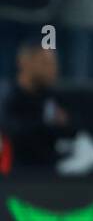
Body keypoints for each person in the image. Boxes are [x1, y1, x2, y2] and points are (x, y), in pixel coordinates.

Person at [0, 39, 74, 172]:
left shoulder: (51, 97)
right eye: (46, 63)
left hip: (47, 176)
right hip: (13, 177)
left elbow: (72, 129)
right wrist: (47, 125)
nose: (54, 69)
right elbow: (13, 133)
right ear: (25, 63)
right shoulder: (8, 97)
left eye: (54, 64)